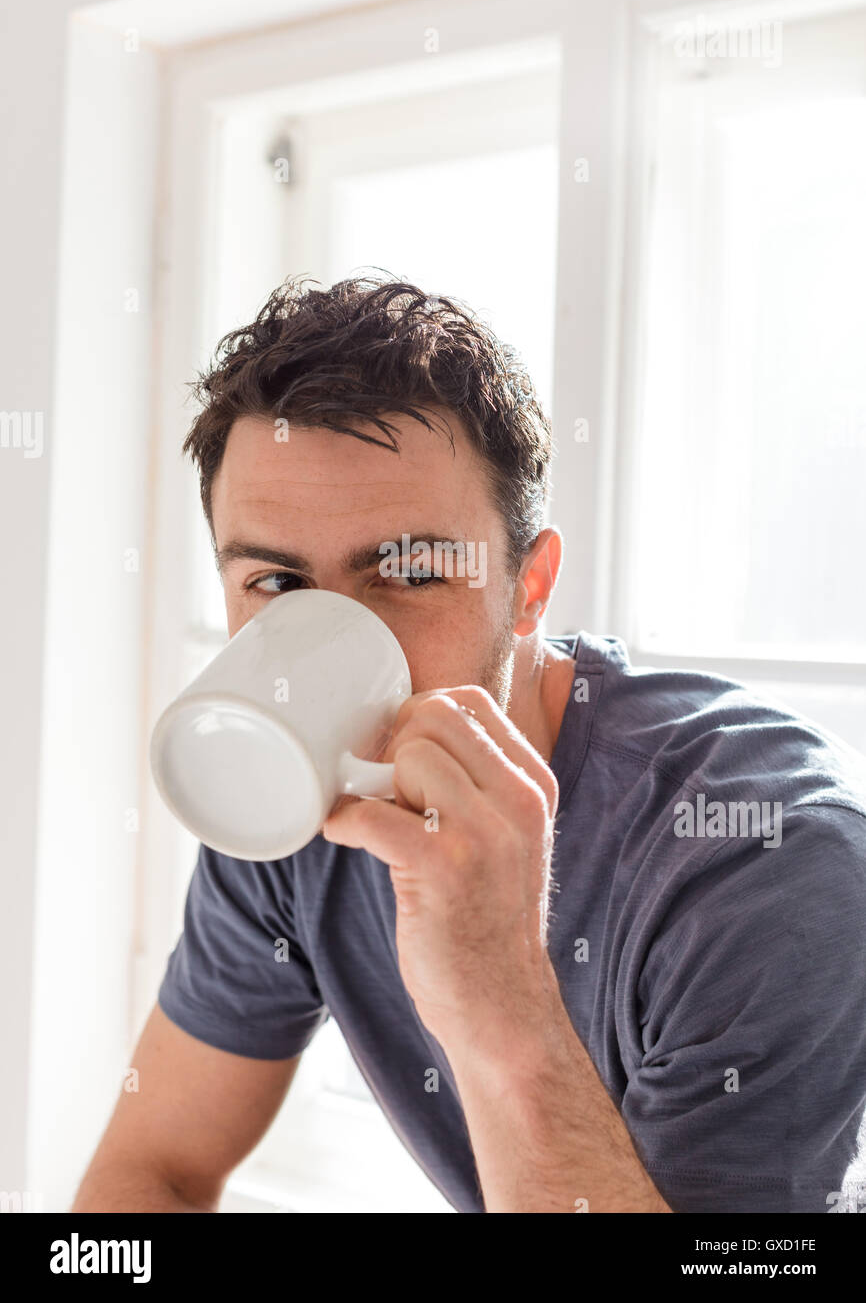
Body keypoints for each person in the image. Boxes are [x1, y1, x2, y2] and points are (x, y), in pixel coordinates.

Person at [73, 275, 866, 1213]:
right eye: (278, 584)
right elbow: (150, 1172)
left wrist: (501, 1006)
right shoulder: (295, 795)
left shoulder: (764, 858)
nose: (327, 644)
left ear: (531, 586)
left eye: (410, 568)